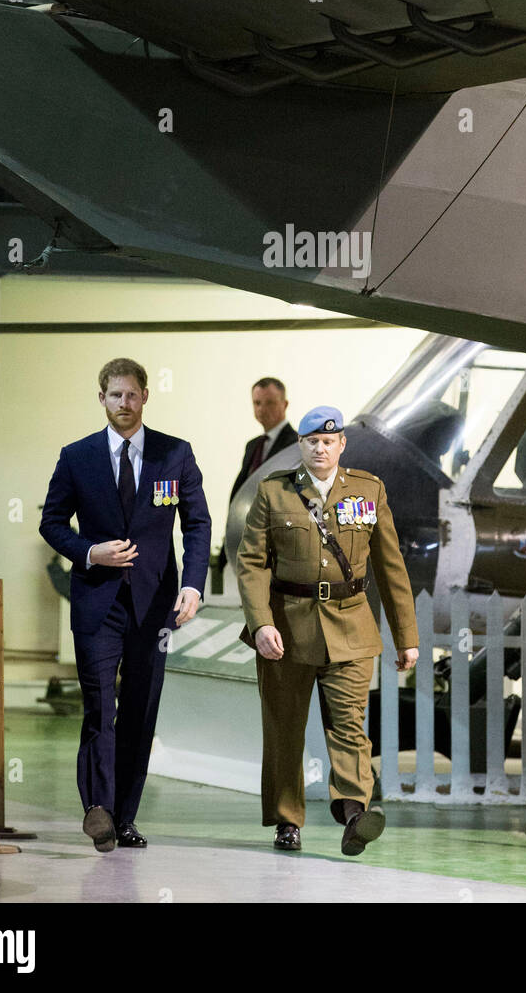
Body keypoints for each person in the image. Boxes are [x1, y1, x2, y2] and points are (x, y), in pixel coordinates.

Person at [39, 357, 211, 852]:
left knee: (140, 709)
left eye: (132, 394)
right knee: (99, 705)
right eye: (115, 395)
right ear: (102, 399)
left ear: (145, 397)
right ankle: (97, 809)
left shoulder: (174, 454)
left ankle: (124, 816)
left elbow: (197, 524)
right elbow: (52, 522)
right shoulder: (77, 457)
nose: (124, 403)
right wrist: (90, 552)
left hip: (154, 606)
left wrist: (193, 585)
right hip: (97, 602)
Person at [236, 405, 419, 857]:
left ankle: (354, 813)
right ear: (300, 446)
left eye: (328, 441)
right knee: (284, 730)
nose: (320, 448)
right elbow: (252, 564)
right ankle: (286, 821)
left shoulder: (368, 490)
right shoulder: (273, 492)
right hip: (287, 628)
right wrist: (261, 624)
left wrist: (407, 636)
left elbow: (391, 567)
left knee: (349, 726)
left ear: (341, 445)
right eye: (311, 441)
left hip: (351, 625)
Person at [217, 377, 298, 577]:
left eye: (270, 402)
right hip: (249, 541)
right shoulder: (253, 446)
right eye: (257, 403)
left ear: (285, 404)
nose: (262, 409)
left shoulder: (298, 446)